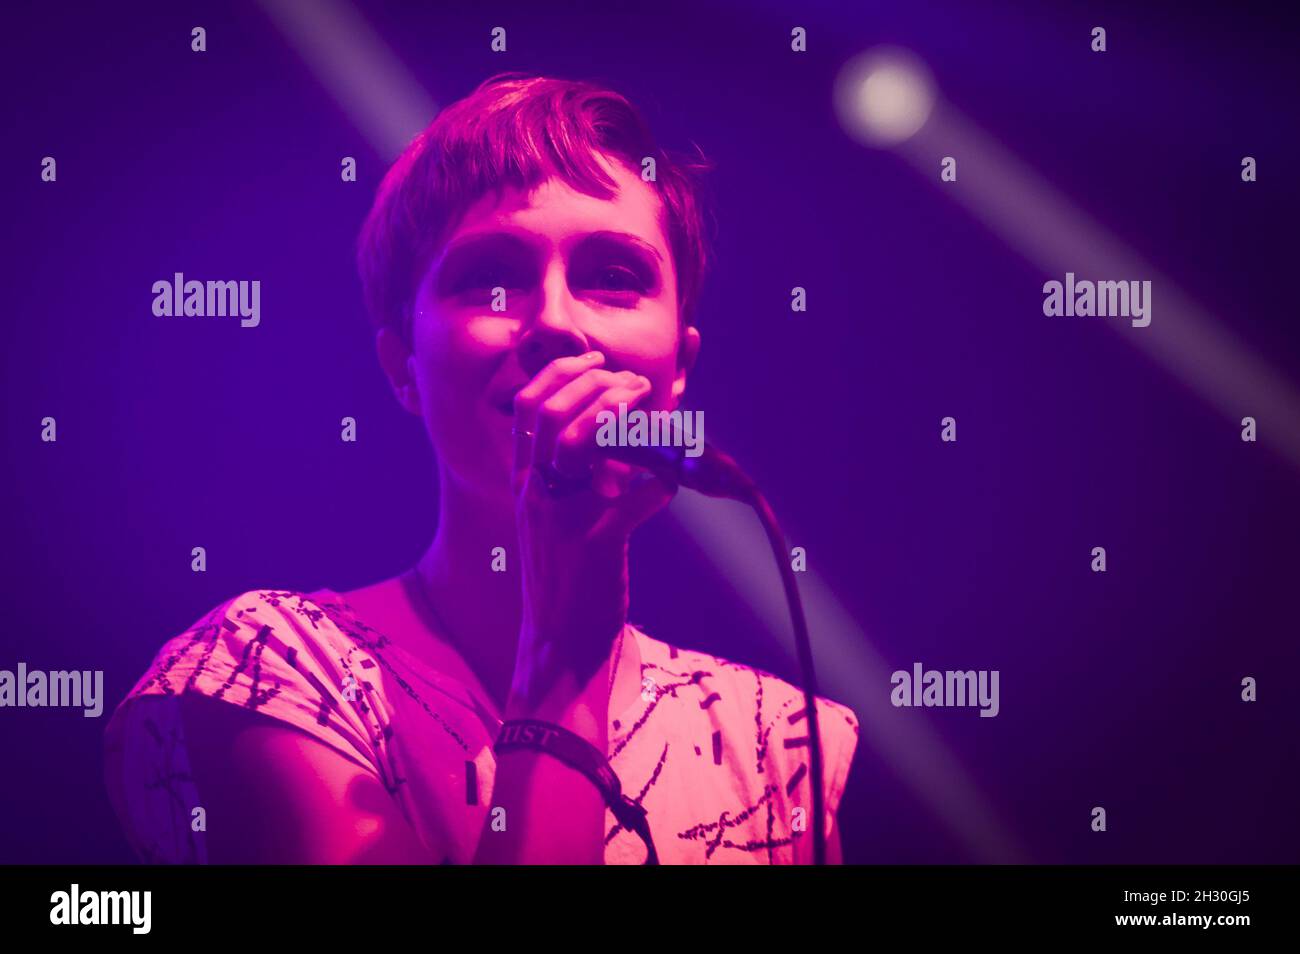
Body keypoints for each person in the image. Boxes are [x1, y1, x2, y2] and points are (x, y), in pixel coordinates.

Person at [103, 73, 860, 864]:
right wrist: (561, 666)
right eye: (490, 278)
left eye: (613, 277)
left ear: (678, 372)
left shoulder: (771, 739)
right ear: (402, 365)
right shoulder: (272, 667)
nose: (557, 325)